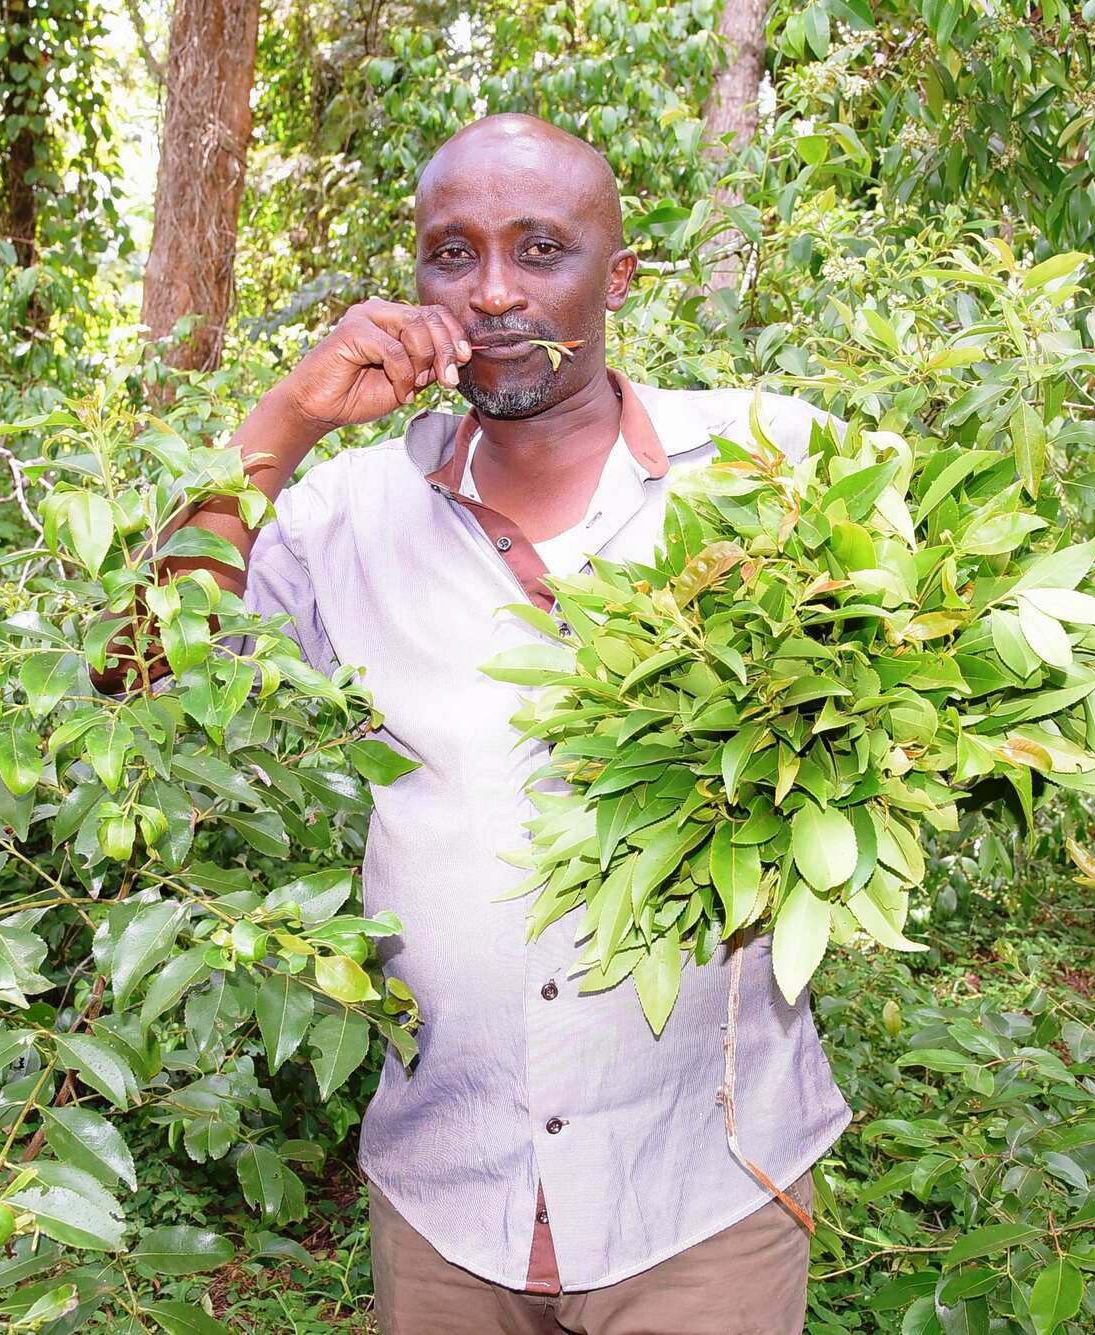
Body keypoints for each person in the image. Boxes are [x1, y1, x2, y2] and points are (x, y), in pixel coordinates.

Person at [118, 113, 850, 1334]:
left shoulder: (769, 462)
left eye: (541, 249)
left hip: (704, 1188)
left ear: (615, 277)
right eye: (452, 254)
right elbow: (141, 673)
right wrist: (280, 424)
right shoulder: (343, 514)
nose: (495, 292)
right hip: (446, 1194)